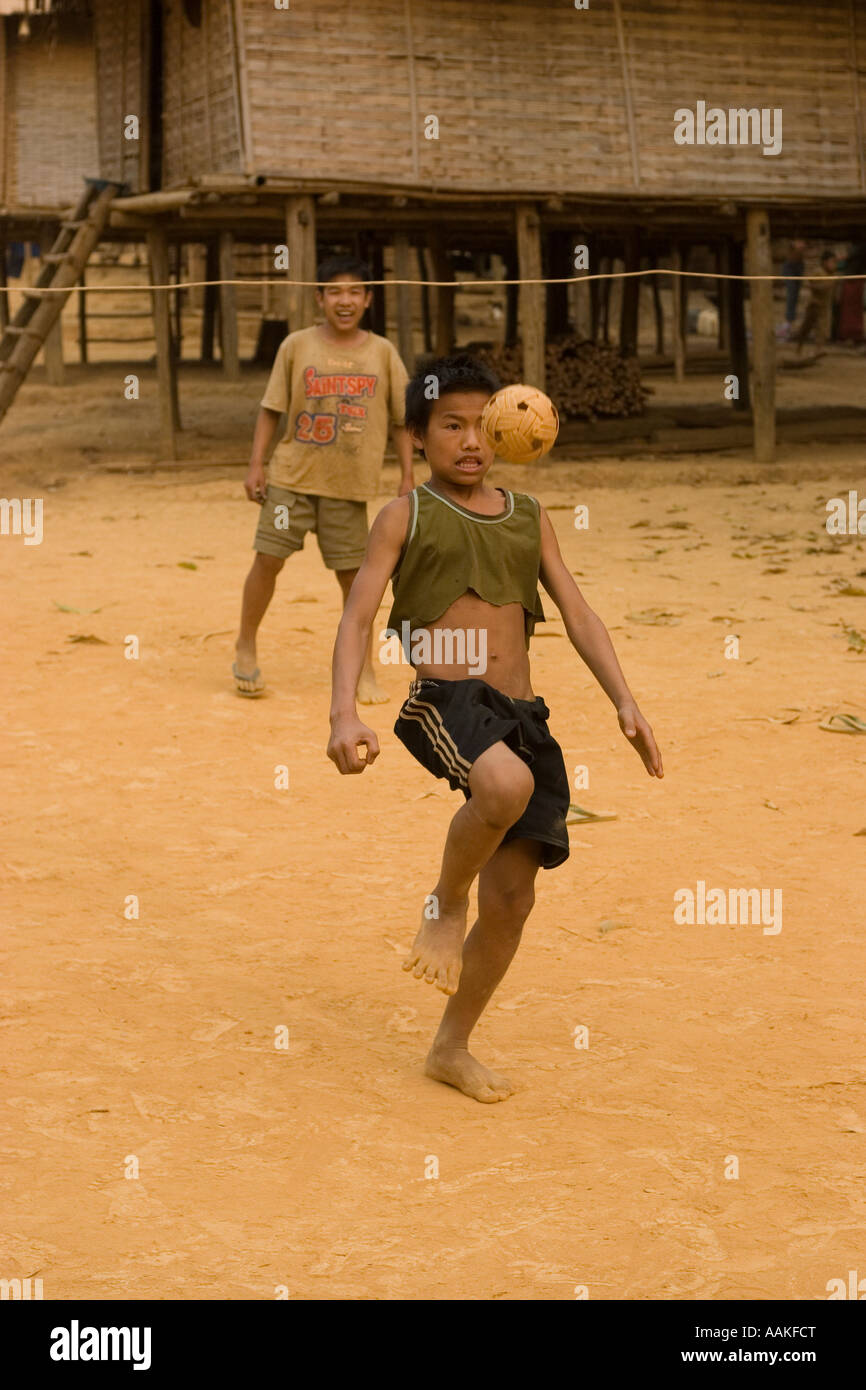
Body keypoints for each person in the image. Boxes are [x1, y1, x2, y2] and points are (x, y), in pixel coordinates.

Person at [326, 355, 663, 1103]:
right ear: (418, 437)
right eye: (452, 425)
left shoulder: (528, 514)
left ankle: (451, 1046)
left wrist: (625, 700)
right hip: (446, 697)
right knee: (501, 784)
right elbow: (357, 615)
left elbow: (576, 610)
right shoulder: (405, 514)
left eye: (484, 425)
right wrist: (344, 709)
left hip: (522, 715)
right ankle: (445, 903)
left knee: (512, 900)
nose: (471, 440)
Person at [233, 255, 414, 700]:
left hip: (348, 488)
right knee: (268, 560)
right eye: (334, 291)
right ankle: (246, 645)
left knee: (355, 580)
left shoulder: (382, 353)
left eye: (355, 292)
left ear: (368, 299)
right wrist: (257, 464)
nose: (344, 300)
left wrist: (408, 473)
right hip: (292, 480)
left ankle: (364, 669)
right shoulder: (296, 346)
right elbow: (271, 409)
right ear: (319, 298)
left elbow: (400, 420)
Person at [793, 249, 837, 355]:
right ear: (824, 262)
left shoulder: (833, 275)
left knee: (822, 329)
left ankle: (818, 350)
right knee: (806, 328)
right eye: (831, 262)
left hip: (825, 306)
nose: (833, 265)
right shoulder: (818, 272)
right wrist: (825, 286)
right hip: (814, 304)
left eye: (835, 262)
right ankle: (799, 347)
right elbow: (812, 285)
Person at [780, 239, 806, 338]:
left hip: (798, 268)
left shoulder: (800, 254)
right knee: (791, 295)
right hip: (790, 268)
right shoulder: (791, 249)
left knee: (794, 296)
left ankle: (790, 322)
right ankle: (788, 322)